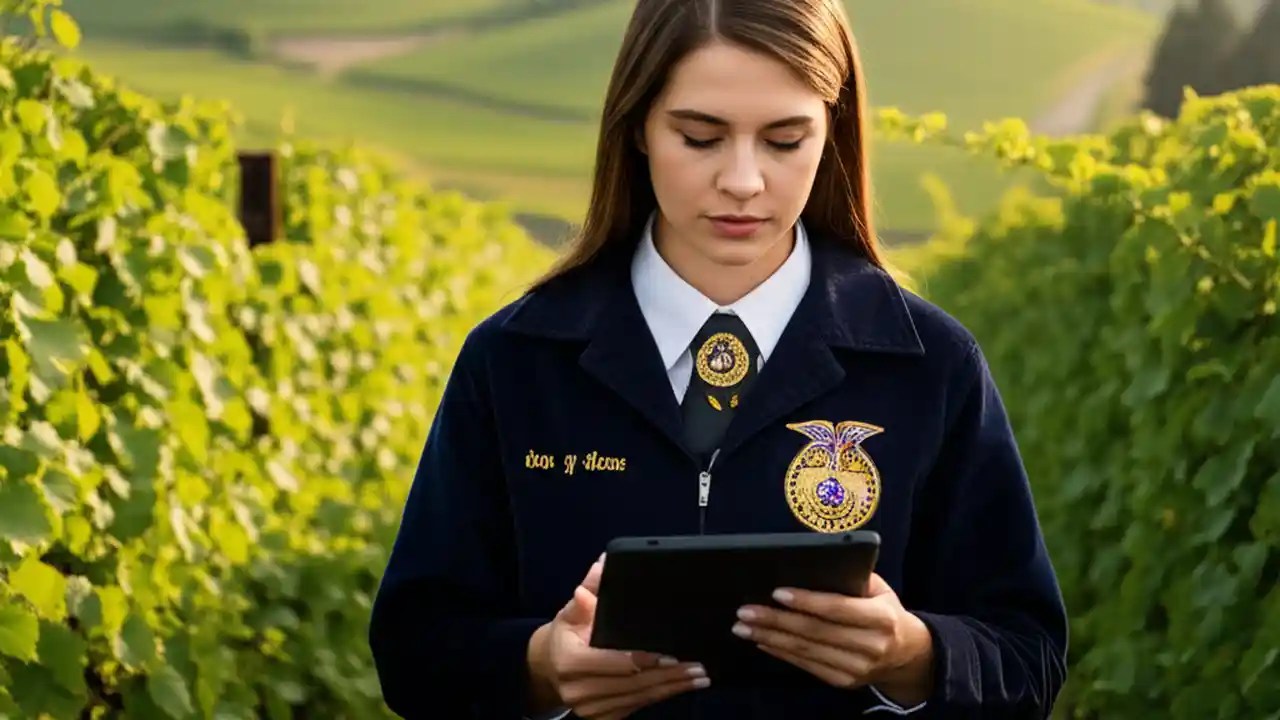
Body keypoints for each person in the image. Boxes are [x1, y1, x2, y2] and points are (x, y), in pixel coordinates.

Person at [368, 0, 1069, 718]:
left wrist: (914, 653)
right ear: (637, 127)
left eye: (785, 140)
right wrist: (539, 666)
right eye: (700, 137)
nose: (743, 180)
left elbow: (1029, 656)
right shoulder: (515, 361)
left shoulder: (929, 365)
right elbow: (414, 647)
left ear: (832, 133)